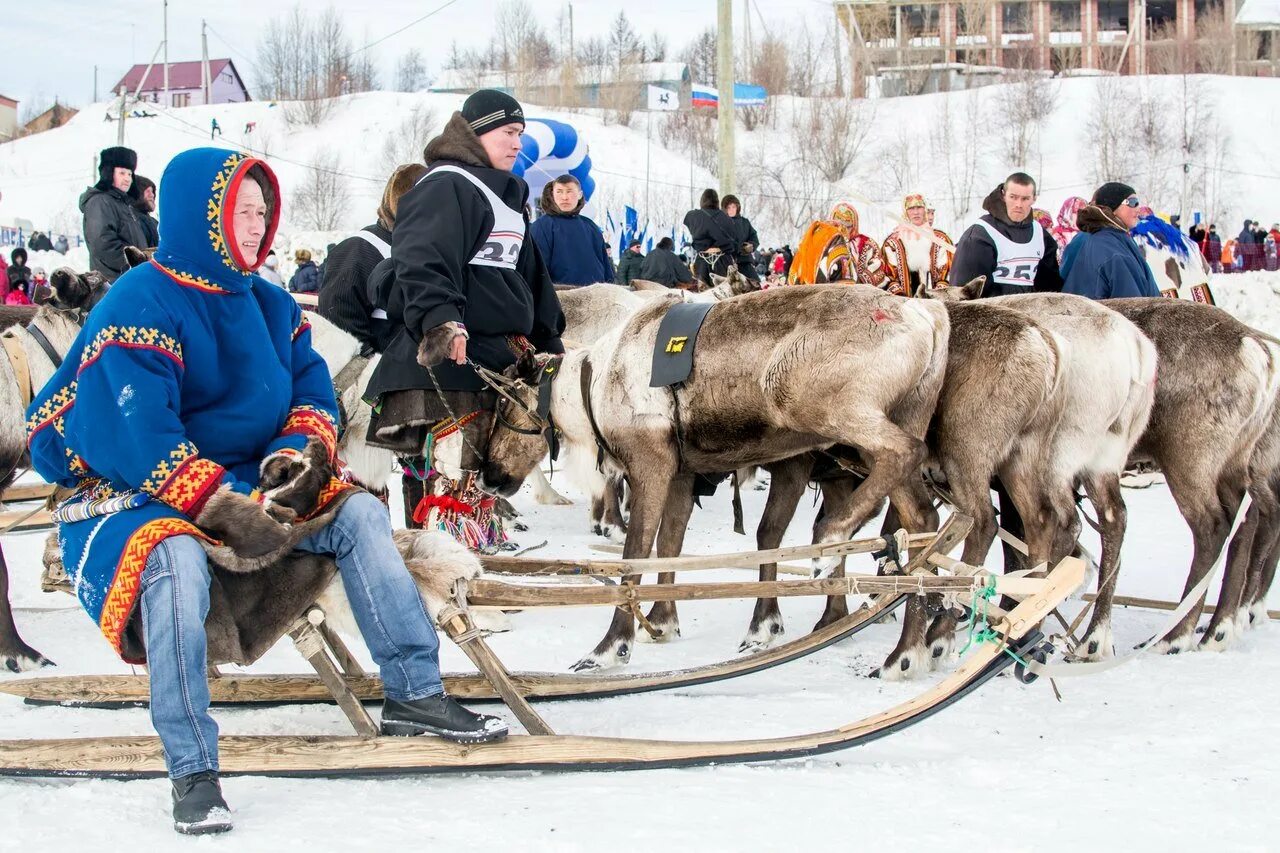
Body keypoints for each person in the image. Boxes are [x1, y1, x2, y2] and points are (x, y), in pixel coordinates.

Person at [25, 147, 506, 836]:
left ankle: (414, 690)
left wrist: (296, 455)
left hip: (254, 487)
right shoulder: (142, 300)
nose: (254, 227)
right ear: (203, 215)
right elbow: (141, 432)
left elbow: (312, 391)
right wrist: (222, 505)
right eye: (240, 212)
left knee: (360, 512)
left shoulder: (271, 303)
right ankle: (192, 766)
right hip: (142, 495)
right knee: (175, 559)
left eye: (262, 212)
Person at [363, 89, 565, 534]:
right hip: (450, 360)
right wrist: (442, 320)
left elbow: (530, 276)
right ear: (478, 132)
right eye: (509, 132)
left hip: (497, 358)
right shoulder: (445, 185)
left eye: (521, 134)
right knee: (452, 481)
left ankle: (467, 565)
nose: (517, 144)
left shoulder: (506, 198)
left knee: (478, 481)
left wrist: (549, 341)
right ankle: (442, 572)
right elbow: (421, 256)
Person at [319, 163, 428, 355]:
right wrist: (369, 370)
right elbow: (340, 328)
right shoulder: (359, 250)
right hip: (388, 377)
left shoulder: (438, 251)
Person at [948, 172, 1062, 298]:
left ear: (1034, 199)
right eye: (1013, 197)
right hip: (993, 314)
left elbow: (1051, 289)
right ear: (1003, 195)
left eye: (1025, 199)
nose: (1018, 204)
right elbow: (964, 294)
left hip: (1029, 313)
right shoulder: (980, 236)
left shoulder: (1040, 235)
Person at [1060, 182, 1160, 299]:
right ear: (1113, 207)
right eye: (1132, 202)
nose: (1138, 209)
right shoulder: (1110, 248)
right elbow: (1131, 305)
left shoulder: (1119, 239)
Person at [80, 146, 151, 282]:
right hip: (113, 282)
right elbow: (103, 244)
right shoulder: (100, 201)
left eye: (130, 174)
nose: (127, 179)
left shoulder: (123, 204)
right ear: (108, 172)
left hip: (129, 279)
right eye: (122, 173)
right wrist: (135, 264)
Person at [528, 174, 613, 286]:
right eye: (559, 191)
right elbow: (536, 271)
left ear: (579, 195)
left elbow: (606, 268)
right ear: (552, 194)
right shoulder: (541, 226)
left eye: (569, 191)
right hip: (560, 298)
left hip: (596, 297)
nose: (564, 197)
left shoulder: (590, 226)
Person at [789, 202, 885, 286]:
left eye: (847, 225)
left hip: (858, 295)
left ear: (854, 225)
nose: (841, 228)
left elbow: (878, 270)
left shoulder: (867, 244)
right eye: (837, 223)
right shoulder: (823, 240)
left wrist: (859, 282)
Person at [880, 193, 954, 295]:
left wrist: (936, 297)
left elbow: (947, 274)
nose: (916, 212)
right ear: (905, 212)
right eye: (911, 208)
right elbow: (889, 277)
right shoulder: (893, 243)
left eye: (919, 207)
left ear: (925, 210)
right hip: (904, 304)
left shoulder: (939, 240)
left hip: (935, 303)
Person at [683, 188, 738, 287]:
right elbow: (733, 237)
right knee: (724, 294)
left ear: (702, 200)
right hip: (723, 260)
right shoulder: (726, 218)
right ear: (717, 201)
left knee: (702, 295)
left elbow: (688, 223)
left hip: (702, 260)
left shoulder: (693, 216)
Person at [720, 194, 760, 282]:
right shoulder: (719, 224)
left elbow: (754, 237)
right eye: (728, 207)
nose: (731, 210)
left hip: (744, 261)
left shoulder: (745, 222)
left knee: (755, 286)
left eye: (733, 207)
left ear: (737, 207)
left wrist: (751, 246)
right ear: (724, 209)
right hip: (726, 263)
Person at [132, 174, 161, 249]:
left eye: (152, 191)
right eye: (148, 191)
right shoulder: (129, 220)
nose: (152, 195)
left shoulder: (155, 222)